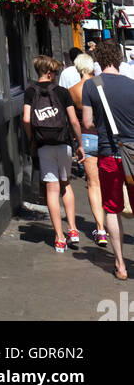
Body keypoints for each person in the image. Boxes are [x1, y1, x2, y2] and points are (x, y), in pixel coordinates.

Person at [81, 40, 134, 281]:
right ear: (120, 59)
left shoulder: (93, 86)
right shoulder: (132, 85)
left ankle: (121, 265)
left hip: (109, 154)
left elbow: (87, 123)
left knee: (111, 209)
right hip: (133, 154)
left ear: (98, 61)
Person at [23, 55, 84, 254]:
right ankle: (73, 230)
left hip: (43, 144)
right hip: (63, 142)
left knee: (51, 189)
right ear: (49, 73)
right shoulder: (62, 92)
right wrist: (80, 143)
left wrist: (32, 139)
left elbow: (25, 119)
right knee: (65, 185)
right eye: (55, 72)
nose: (57, 76)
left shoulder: (30, 92)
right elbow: (74, 121)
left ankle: (59, 238)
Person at [68, 53, 108, 248]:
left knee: (93, 184)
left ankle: (100, 229)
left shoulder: (72, 90)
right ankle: (111, 224)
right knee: (109, 182)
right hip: (105, 137)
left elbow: (73, 119)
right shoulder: (101, 84)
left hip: (86, 138)